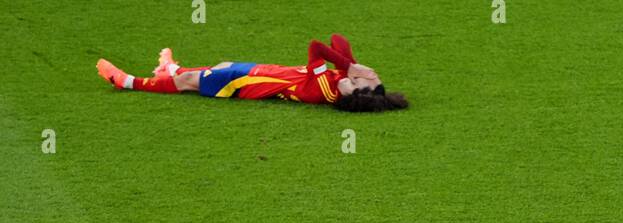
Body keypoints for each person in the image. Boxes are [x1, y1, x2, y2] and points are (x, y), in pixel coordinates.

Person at [96, 35, 407, 111]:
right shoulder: (339, 80)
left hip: (247, 85)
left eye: (372, 79)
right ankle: (171, 67)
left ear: (356, 90)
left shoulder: (325, 88)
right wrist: (352, 63)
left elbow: (316, 45)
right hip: (259, 71)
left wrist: (351, 65)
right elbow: (339, 39)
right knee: (215, 67)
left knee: (186, 84)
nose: (372, 73)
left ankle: (128, 82)